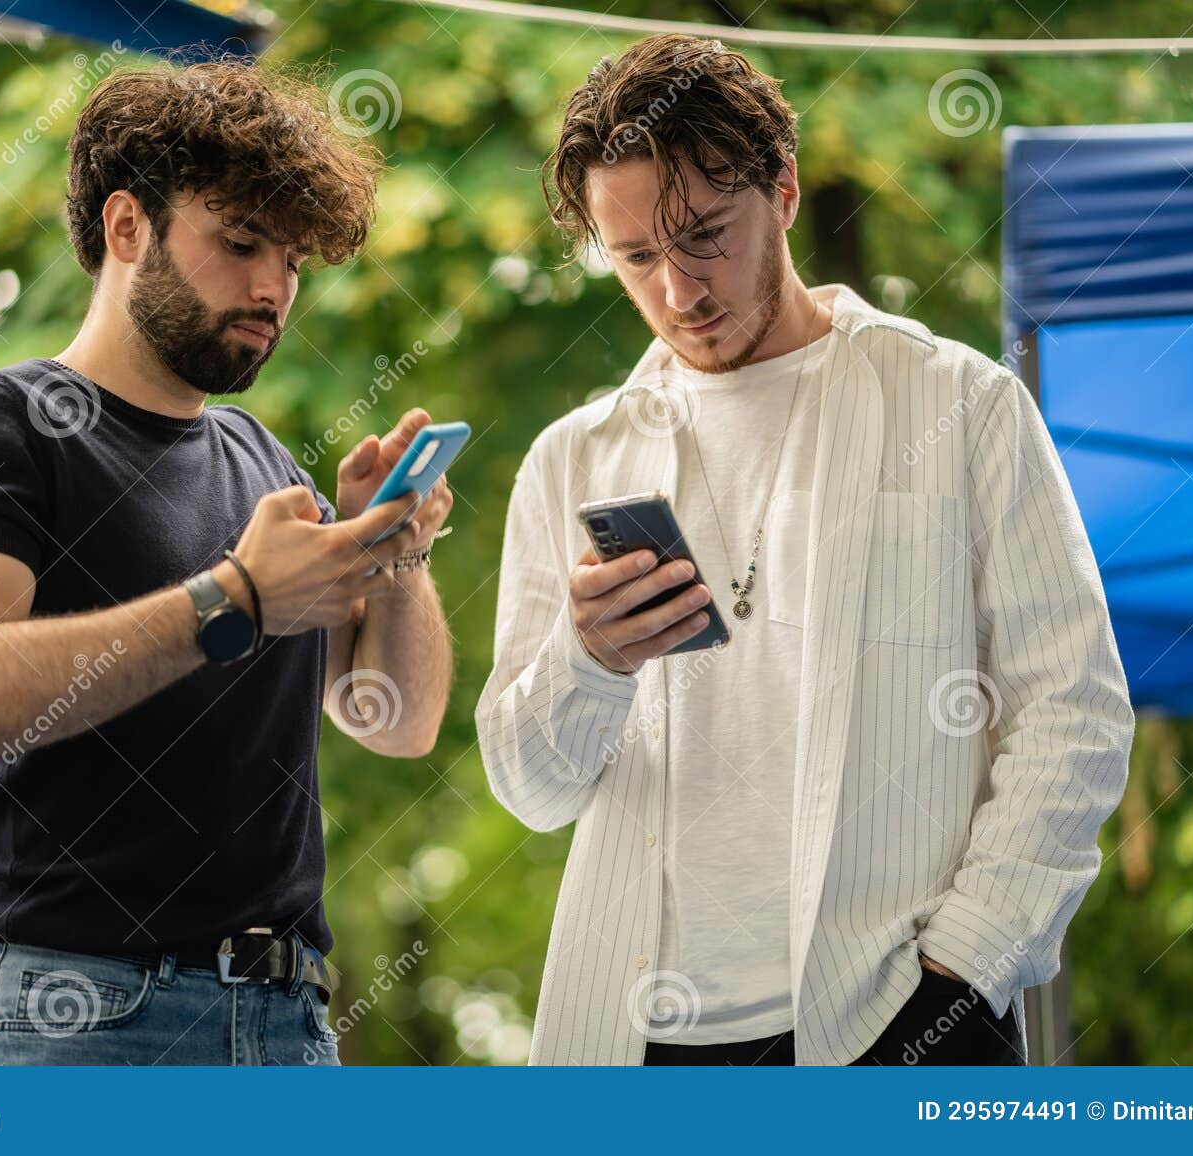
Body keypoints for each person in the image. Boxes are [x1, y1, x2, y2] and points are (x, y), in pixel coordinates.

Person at [475, 33, 1133, 1066]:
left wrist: (965, 967)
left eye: (704, 235)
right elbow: (531, 787)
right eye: (637, 257)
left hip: (901, 1011)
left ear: (781, 188)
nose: (680, 289)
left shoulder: (958, 403)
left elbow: (1072, 708)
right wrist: (587, 662)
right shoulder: (573, 462)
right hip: (636, 1038)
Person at [0, 60, 453, 1066]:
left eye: (292, 260)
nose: (272, 286)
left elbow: (396, 721)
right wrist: (235, 597)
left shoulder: (265, 464)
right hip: (68, 1021)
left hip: (284, 1029)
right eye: (239, 243)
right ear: (126, 228)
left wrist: (394, 552)